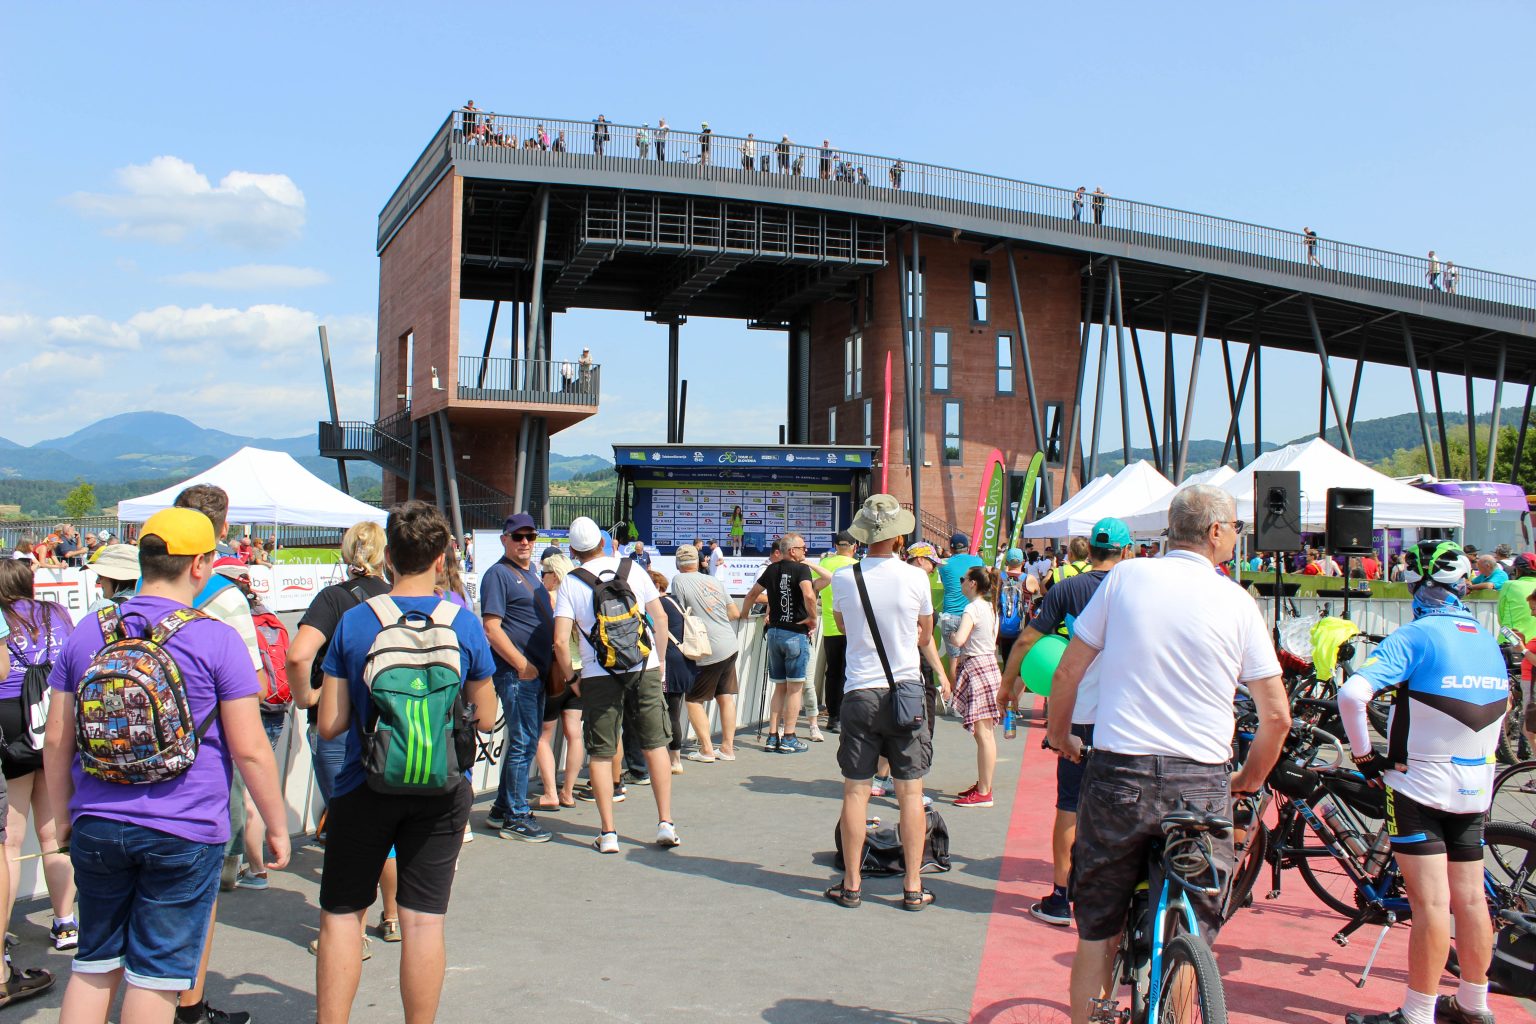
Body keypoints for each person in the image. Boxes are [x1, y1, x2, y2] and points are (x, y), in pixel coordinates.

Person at [1046, 486, 1289, 1023]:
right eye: (1235, 528)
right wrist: (1248, 780)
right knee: (1187, 924)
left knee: (1099, 929)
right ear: (1216, 531)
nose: (1236, 536)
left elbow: (1067, 673)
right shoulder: (1237, 601)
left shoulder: (1125, 578)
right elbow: (1276, 717)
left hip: (1120, 773)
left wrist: (1062, 737)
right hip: (1200, 781)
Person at [44, 508, 290, 1024]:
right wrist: (275, 824)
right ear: (199, 565)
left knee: (94, 965)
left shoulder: (89, 632)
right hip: (184, 826)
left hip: (97, 822)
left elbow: (58, 739)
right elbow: (250, 748)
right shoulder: (216, 639)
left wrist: (64, 815)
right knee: (155, 977)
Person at [313, 502, 495, 1024]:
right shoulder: (463, 624)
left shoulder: (355, 622)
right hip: (442, 788)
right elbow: (486, 718)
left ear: (388, 557)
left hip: (363, 784)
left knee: (342, 915)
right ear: (441, 560)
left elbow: (330, 725)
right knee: (422, 922)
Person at [1339, 540, 1508, 1024]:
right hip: (1475, 784)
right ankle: (1474, 1004)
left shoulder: (1416, 634)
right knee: (1470, 899)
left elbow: (1352, 695)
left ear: (1416, 585)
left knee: (1431, 904)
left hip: (1418, 785)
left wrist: (1365, 756)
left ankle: (1416, 1015)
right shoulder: (1485, 637)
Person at [1001, 517, 1132, 926]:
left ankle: (1061, 897)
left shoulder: (1068, 588)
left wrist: (1008, 686)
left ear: (1088, 550)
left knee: (1070, 805)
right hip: (1127, 716)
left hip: (1080, 712)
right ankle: (1119, 894)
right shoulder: (1135, 590)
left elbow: (1028, 639)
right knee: (1125, 804)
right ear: (1127, 551)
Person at [171, 485, 269, 1024]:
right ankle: (188, 1006)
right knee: (195, 902)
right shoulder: (224, 598)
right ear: (222, 530)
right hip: (197, 772)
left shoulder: (123, 597)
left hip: (116, 778)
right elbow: (252, 688)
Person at [285, 520, 401, 946]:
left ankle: (348, 931)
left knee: (349, 829)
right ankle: (392, 916)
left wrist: (308, 697)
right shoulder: (395, 599)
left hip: (336, 725)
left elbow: (298, 656)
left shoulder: (333, 599)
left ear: (346, 552)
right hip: (388, 725)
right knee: (385, 828)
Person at [824, 495, 935, 911]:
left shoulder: (844, 578)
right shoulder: (916, 577)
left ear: (862, 535)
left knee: (856, 792)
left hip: (859, 692)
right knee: (910, 793)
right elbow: (925, 635)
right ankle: (912, 885)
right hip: (905, 693)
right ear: (899, 535)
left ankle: (851, 884)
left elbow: (843, 625)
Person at [551, 516, 677, 853]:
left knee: (602, 753)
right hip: (644, 666)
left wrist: (572, 678)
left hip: (598, 673)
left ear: (573, 551)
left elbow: (560, 641)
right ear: (602, 543)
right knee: (655, 744)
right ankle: (665, 822)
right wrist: (659, 663)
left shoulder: (571, 582)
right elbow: (660, 617)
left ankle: (608, 833)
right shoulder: (632, 569)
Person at [0, 561, 78, 952]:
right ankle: (65, 923)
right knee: (54, 833)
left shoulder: (3, 618)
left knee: (9, 842)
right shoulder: (57, 613)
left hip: (11, 720)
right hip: (54, 717)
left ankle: (2, 932)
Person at [481, 513, 555, 844]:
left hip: (532, 672)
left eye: (530, 536)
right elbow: (491, 627)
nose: (525, 542)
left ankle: (502, 808)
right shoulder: (498, 574)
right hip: (516, 672)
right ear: (505, 539)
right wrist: (522, 663)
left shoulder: (531, 574)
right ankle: (515, 814)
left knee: (525, 739)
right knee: (524, 741)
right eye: (518, 536)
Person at [738, 533, 829, 752]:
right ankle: (789, 737)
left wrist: (743, 615)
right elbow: (809, 595)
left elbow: (751, 594)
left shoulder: (771, 569)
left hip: (774, 633)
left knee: (779, 687)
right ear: (792, 550)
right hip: (795, 634)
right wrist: (812, 617)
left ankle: (772, 736)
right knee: (795, 688)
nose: (805, 551)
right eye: (803, 548)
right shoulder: (801, 570)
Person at [669, 544, 742, 762]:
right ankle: (727, 748)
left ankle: (707, 749)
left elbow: (679, 615)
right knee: (725, 696)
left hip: (706, 649)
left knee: (694, 699)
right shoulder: (713, 580)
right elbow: (734, 612)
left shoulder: (678, 580)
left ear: (678, 564)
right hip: (729, 644)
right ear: (698, 561)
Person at [948, 565, 1002, 809]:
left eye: (963, 578)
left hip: (977, 666)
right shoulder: (990, 607)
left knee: (984, 735)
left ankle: (984, 791)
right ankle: (984, 785)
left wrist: (951, 634)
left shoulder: (972, 608)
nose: (961, 582)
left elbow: (959, 639)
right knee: (985, 733)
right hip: (988, 665)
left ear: (972, 583)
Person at [533, 549, 583, 809]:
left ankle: (550, 792)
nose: (542, 578)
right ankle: (568, 792)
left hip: (556, 672)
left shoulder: (548, 600)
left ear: (553, 575)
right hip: (581, 671)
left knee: (544, 735)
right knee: (575, 734)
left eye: (544, 573)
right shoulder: (579, 598)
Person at [651, 571, 695, 774]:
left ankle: (673, 760)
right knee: (674, 712)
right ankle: (674, 759)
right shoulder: (674, 602)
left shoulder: (658, 605)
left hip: (668, 664)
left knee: (668, 714)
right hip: (683, 661)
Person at [816, 533, 858, 733]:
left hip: (830, 627)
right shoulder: (858, 565)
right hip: (853, 627)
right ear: (854, 547)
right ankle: (844, 716)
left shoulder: (824, 563)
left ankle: (833, 716)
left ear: (835, 546)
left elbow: (812, 590)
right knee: (848, 672)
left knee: (832, 672)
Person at [936, 533, 983, 658]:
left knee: (954, 660)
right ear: (967, 548)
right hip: (973, 614)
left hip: (951, 614)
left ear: (951, 549)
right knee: (971, 657)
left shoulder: (943, 564)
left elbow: (944, 581)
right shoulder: (978, 561)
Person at [85, 542, 140, 614]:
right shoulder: (151, 605)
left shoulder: (100, 607)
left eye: (100, 576)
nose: (98, 581)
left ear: (112, 577)